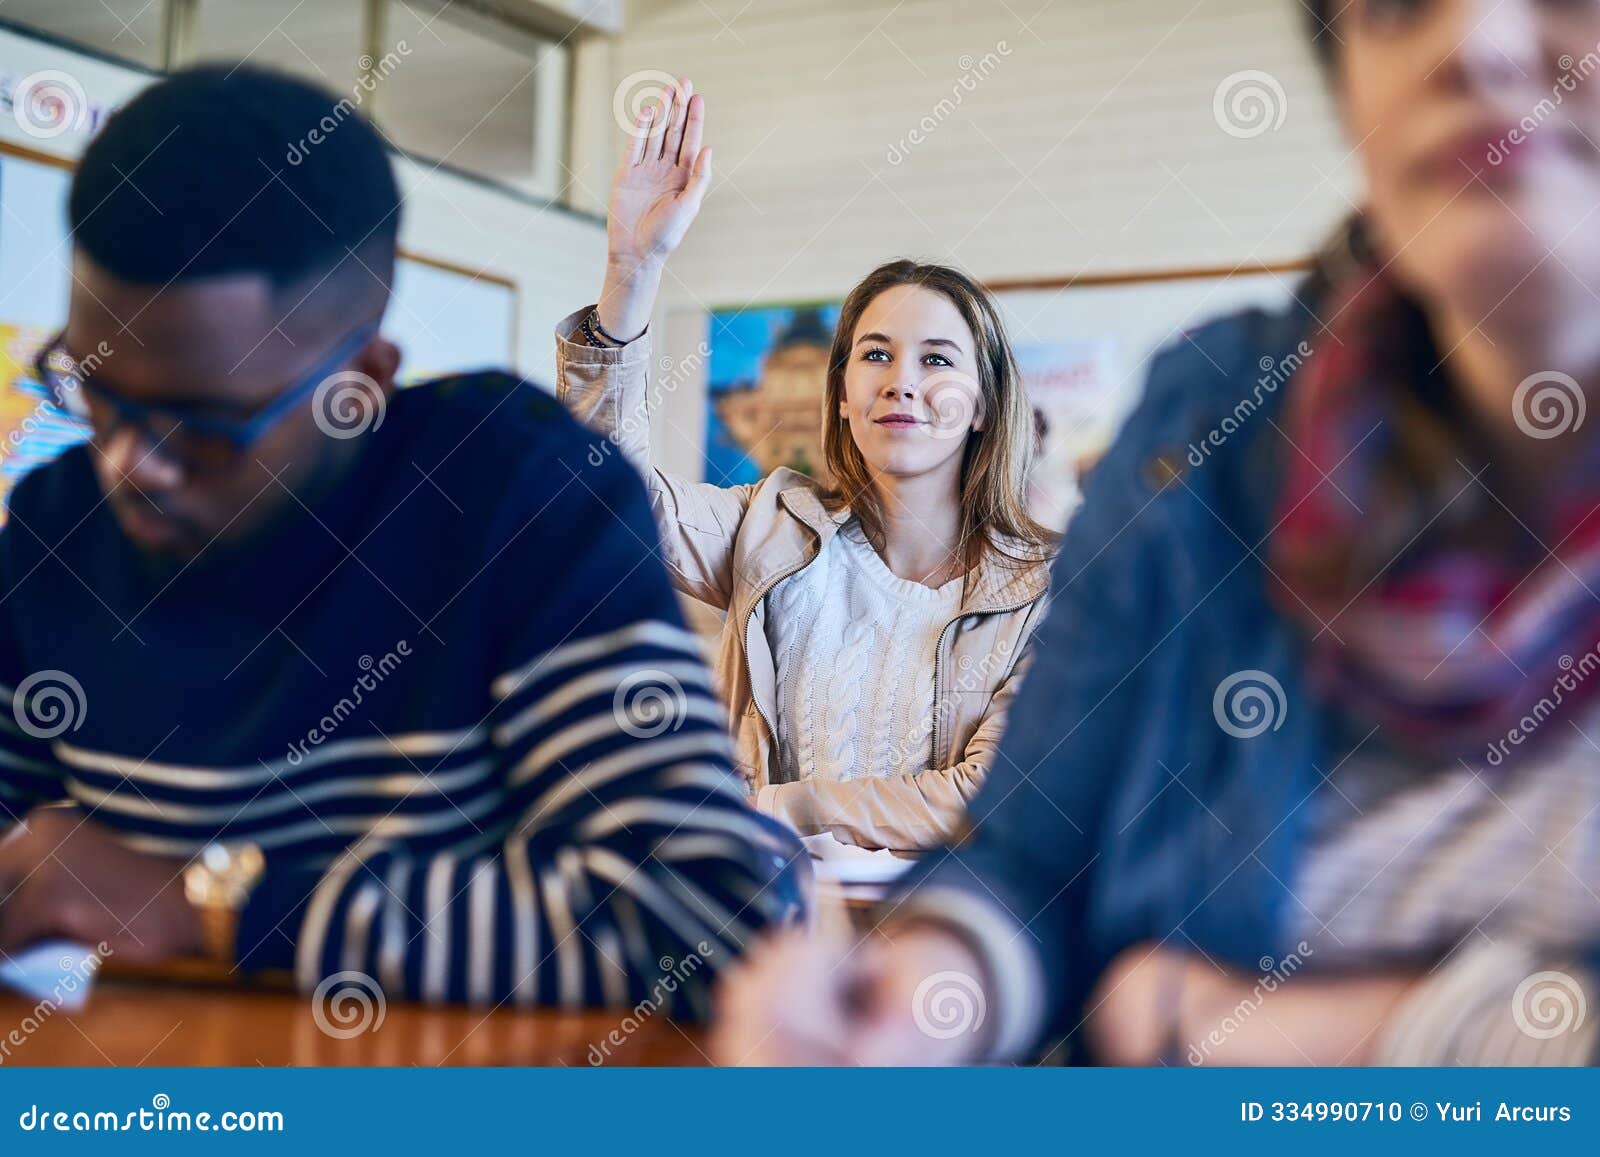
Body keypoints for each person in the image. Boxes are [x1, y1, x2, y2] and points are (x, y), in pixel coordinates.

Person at [712, 0, 1600, 1065]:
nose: (1473, 44)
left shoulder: (1026, 567)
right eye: (1396, 4)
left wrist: (1239, 1026)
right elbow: (1034, 859)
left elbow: (990, 825)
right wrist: (923, 991)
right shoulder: (1216, 413)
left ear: (989, 400)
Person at [0, 64, 805, 1014]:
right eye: (97, 394)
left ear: (365, 380)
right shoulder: (59, 526)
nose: (135, 465)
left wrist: (210, 906)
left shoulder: (516, 501)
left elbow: (710, 923)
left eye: (206, 425)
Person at [556, 81, 1058, 852]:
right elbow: (600, 497)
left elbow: (993, 794)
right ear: (846, 395)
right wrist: (634, 265)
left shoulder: (1044, 587)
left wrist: (788, 808)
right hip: (765, 936)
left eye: (938, 359)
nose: (902, 381)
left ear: (985, 404)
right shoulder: (769, 529)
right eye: (876, 354)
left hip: (947, 949)